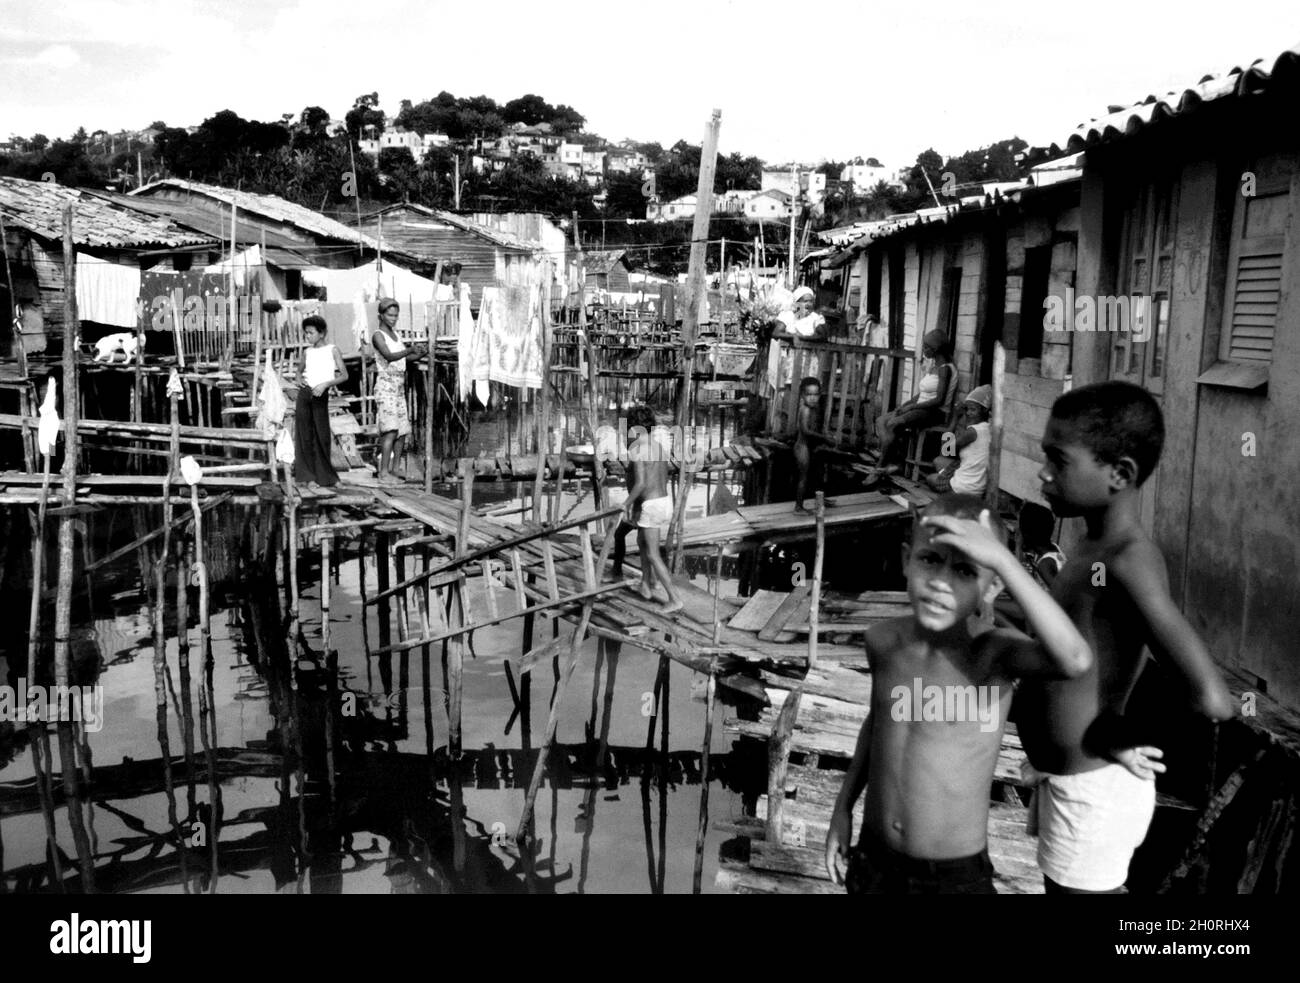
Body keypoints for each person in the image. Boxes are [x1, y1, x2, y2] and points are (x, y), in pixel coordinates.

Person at [1018, 380, 1234, 893]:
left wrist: (1117, 733)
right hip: (1070, 784)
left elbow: (1212, 699)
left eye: (1058, 460)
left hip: (1095, 793)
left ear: (1120, 474)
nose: (1043, 472)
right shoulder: (1092, 545)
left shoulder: (1128, 559)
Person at [824, 494, 1092, 894]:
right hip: (874, 859)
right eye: (930, 560)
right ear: (906, 559)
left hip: (951, 877)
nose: (941, 582)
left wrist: (1003, 561)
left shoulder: (993, 654)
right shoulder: (882, 641)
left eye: (965, 570)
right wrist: (842, 809)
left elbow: (1075, 660)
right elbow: (878, 721)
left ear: (993, 584)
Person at [622, 404, 683, 614]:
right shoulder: (658, 446)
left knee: (653, 554)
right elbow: (659, 477)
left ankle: (674, 598)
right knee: (642, 541)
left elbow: (640, 484)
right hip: (663, 501)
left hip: (652, 505)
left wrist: (625, 504)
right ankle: (646, 585)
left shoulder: (637, 449)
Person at [872, 329, 956, 472]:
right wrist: (905, 405)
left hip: (933, 412)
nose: (923, 350)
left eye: (926, 347)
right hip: (920, 409)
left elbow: (939, 400)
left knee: (893, 423)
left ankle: (881, 465)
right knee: (881, 421)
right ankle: (892, 459)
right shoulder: (933, 367)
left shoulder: (945, 369)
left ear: (935, 350)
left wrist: (911, 408)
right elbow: (921, 394)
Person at [371, 297, 428, 484]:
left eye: (396, 316)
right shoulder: (378, 335)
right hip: (386, 386)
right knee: (390, 430)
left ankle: (395, 469)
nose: (393, 319)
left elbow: (403, 359)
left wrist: (420, 353)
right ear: (381, 315)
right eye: (390, 315)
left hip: (398, 386)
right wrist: (409, 350)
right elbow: (388, 356)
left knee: (402, 431)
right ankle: (383, 472)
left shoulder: (396, 335)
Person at [294, 314, 347, 491]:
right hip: (305, 395)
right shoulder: (307, 352)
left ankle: (328, 477)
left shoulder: (333, 350)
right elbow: (299, 371)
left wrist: (325, 385)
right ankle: (309, 478)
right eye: (306, 333)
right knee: (305, 436)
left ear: (322, 333)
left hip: (320, 395)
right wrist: (299, 379)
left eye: (311, 333)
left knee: (322, 437)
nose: (307, 336)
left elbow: (344, 375)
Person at [925, 384, 992, 496]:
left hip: (963, 488)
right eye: (967, 409)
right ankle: (947, 477)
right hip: (974, 481)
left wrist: (955, 417)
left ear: (984, 410)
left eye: (973, 409)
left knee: (930, 478)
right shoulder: (989, 427)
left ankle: (948, 485)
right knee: (938, 461)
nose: (968, 413)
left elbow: (946, 449)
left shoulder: (973, 431)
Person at [793, 376, 832, 512]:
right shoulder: (805, 409)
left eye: (816, 395)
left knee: (818, 473)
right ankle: (798, 507)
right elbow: (805, 431)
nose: (812, 398)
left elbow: (816, 426)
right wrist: (824, 438)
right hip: (802, 447)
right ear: (802, 395)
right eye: (809, 395)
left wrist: (824, 436)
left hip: (811, 446)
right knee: (803, 478)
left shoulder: (816, 408)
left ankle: (820, 499)